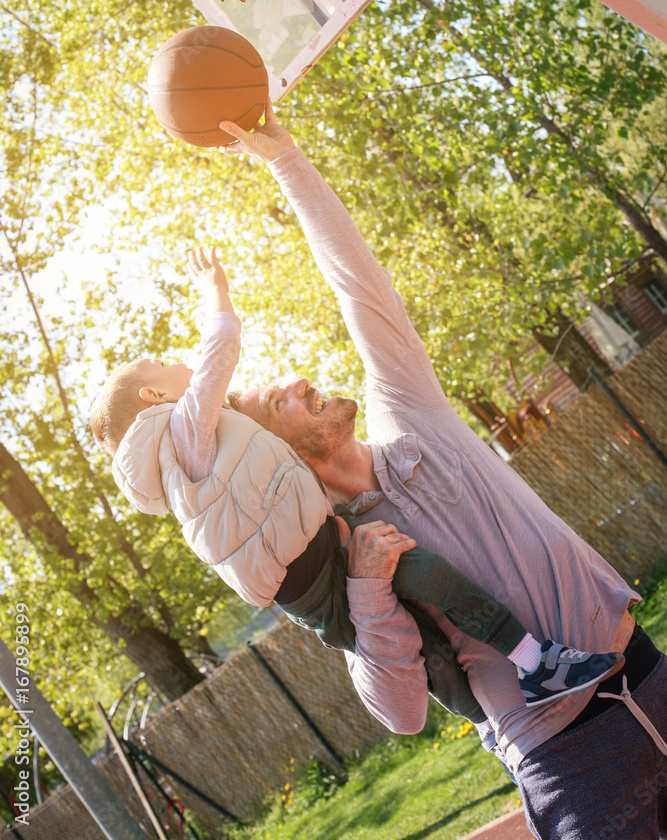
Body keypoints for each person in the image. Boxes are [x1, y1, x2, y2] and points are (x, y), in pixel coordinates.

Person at [217, 102, 667, 840]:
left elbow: (359, 288)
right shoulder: (345, 559)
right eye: (280, 398)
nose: (299, 379)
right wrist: (366, 585)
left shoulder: (409, 415)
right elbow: (398, 713)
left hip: (647, 668)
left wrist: (285, 161)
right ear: (280, 454)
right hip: (571, 759)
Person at [90, 248, 622, 737]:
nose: (175, 359)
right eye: (161, 361)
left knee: (428, 574)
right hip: (312, 585)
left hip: (325, 551)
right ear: (154, 395)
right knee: (423, 645)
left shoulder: (202, 456)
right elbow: (221, 346)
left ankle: (535, 666)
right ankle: (505, 721)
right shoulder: (184, 437)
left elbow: (256, 492)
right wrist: (214, 290)